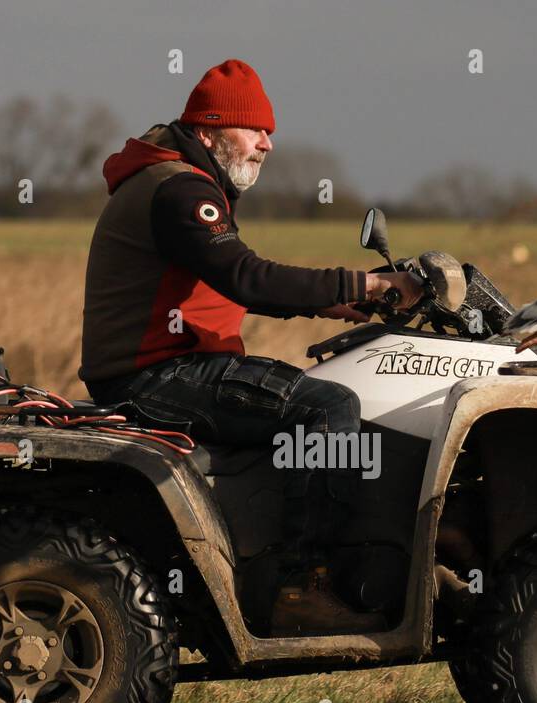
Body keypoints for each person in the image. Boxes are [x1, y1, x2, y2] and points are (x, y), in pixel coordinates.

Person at [80, 59, 422, 635]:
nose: (266, 144)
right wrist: (366, 284)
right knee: (327, 408)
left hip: (169, 364)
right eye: (254, 130)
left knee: (310, 394)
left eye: (270, 133)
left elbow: (228, 281)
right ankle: (303, 586)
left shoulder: (178, 178)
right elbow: (246, 276)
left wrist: (330, 303)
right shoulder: (181, 191)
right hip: (156, 375)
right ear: (211, 130)